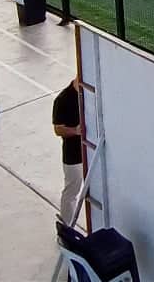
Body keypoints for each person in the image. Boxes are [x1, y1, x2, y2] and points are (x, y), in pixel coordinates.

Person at [52, 80, 84, 223]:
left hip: (89, 151)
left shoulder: (88, 95)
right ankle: (66, 224)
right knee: (72, 190)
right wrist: (76, 131)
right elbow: (58, 129)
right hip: (73, 155)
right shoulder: (62, 99)